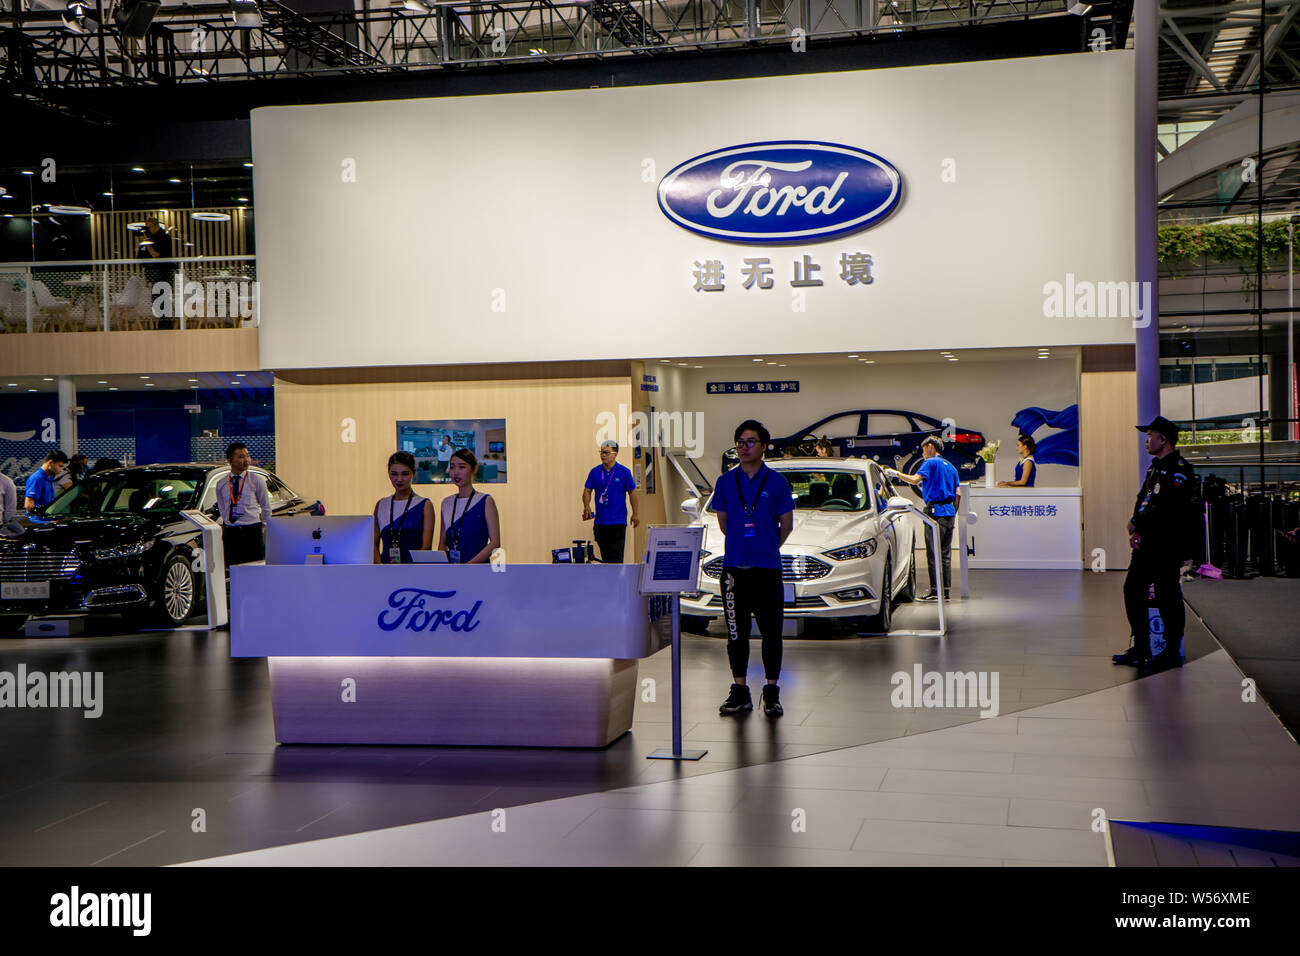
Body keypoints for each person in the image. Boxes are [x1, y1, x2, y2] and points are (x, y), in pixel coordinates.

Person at [714, 420, 795, 718]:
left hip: (767, 568)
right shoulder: (725, 482)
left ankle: (771, 692)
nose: (744, 448)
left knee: (772, 632)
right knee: (736, 634)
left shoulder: (776, 482)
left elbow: (786, 525)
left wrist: (766, 545)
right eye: (739, 442)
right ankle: (740, 691)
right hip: (734, 569)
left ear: (763, 446)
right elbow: (724, 524)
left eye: (750, 442)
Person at [1112, 416, 1197, 673]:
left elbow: (1167, 509)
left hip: (1166, 544)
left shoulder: (1180, 469)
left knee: (1166, 595)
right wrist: (1135, 527)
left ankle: (1171, 651)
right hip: (1147, 543)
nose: (1146, 441)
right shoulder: (1154, 468)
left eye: (1150, 436)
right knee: (1133, 589)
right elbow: (1145, 500)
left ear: (1164, 439)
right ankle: (1141, 648)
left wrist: (1140, 524)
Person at [887, 436, 960, 600]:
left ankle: (935, 591)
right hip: (949, 512)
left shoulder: (930, 463)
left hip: (935, 512)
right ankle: (945, 591)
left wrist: (896, 473)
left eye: (923, 449)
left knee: (933, 553)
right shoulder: (951, 467)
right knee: (945, 554)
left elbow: (914, 480)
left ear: (930, 446)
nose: (923, 453)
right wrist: (952, 511)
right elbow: (958, 494)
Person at [438, 449, 501, 564]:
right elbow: (443, 542)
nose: (456, 472)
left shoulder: (485, 501)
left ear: (474, 469)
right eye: (452, 467)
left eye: (462, 467)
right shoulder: (446, 503)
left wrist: (469, 566)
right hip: (453, 572)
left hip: (479, 571)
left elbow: (495, 543)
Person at [214, 442, 272, 566]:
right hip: (232, 533)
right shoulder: (221, 483)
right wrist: (227, 522)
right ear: (230, 460)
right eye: (240, 457)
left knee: (254, 570)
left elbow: (266, 507)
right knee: (233, 571)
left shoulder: (257, 480)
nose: (246, 460)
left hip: (252, 531)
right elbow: (222, 507)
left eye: (247, 456)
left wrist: (264, 529)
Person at [581, 440, 640, 563]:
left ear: (615, 454)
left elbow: (632, 492)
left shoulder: (624, 472)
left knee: (616, 558)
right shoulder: (595, 472)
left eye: (606, 453)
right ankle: (609, 581)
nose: (603, 455)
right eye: (601, 452)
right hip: (601, 523)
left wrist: (635, 513)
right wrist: (587, 506)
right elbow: (587, 491)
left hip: (617, 522)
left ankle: (617, 581)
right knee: (606, 558)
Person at [372, 451, 434, 564]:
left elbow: (426, 547)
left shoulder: (425, 505)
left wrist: (410, 572)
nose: (399, 479)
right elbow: (373, 544)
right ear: (388, 474)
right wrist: (379, 567)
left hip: (414, 573)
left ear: (413, 474)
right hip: (385, 571)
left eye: (405, 474)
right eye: (394, 474)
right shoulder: (381, 505)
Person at [139, 216, 175, 328]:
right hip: (154, 274)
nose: (147, 230)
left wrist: (147, 243)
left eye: (148, 227)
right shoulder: (151, 238)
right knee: (156, 299)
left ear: (154, 225)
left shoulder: (163, 237)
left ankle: (166, 324)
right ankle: (162, 323)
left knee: (163, 298)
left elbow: (156, 255)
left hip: (164, 273)